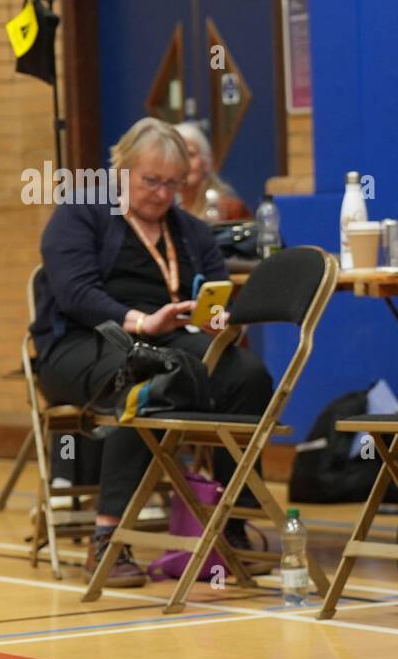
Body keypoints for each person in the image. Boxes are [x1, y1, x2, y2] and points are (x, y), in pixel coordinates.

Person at [32, 117, 273, 587]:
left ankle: (232, 524)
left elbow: (218, 291)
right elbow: (75, 292)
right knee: (141, 378)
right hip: (85, 342)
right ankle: (108, 540)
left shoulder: (191, 231)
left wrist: (216, 319)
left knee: (247, 375)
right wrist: (142, 321)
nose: (163, 194)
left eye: (173, 184)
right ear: (120, 170)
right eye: (151, 181)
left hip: (170, 344)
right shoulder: (80, 214)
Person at [174, 121, 249, 222]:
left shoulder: (230, 209)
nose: (184, 163)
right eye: (178, 156)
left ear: (206, 162)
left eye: (190, 154)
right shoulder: (165, 208)